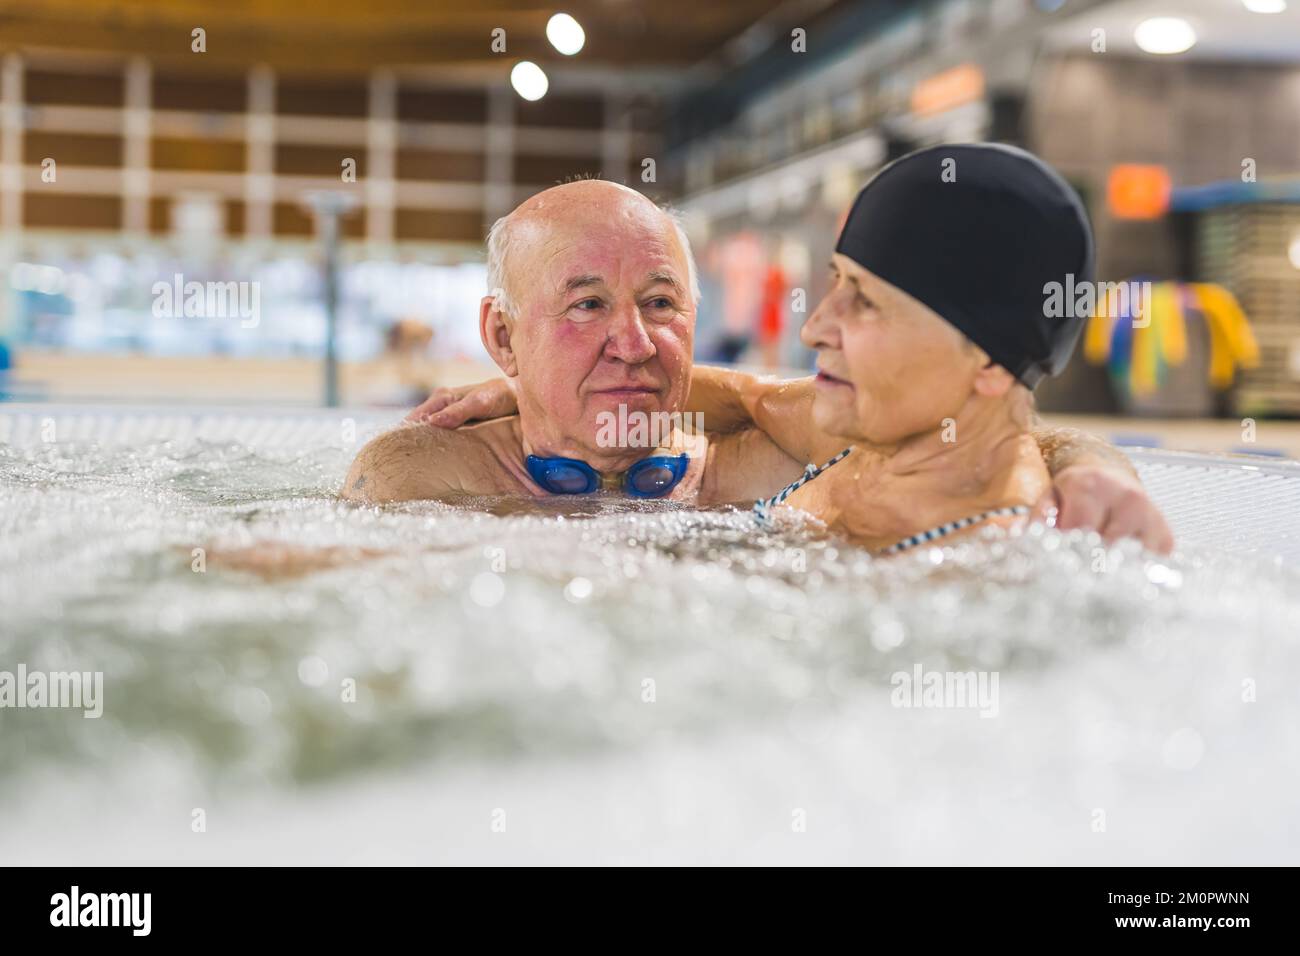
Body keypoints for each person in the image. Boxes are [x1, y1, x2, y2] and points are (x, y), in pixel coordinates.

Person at [398, 167, 1170, 552]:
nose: (633, 342)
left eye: (661, 303)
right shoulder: (421, 475)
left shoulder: (768, 459)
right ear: (502, 338)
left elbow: (998, 442)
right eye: (586, 305)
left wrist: (1095, 471)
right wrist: (539, 392)